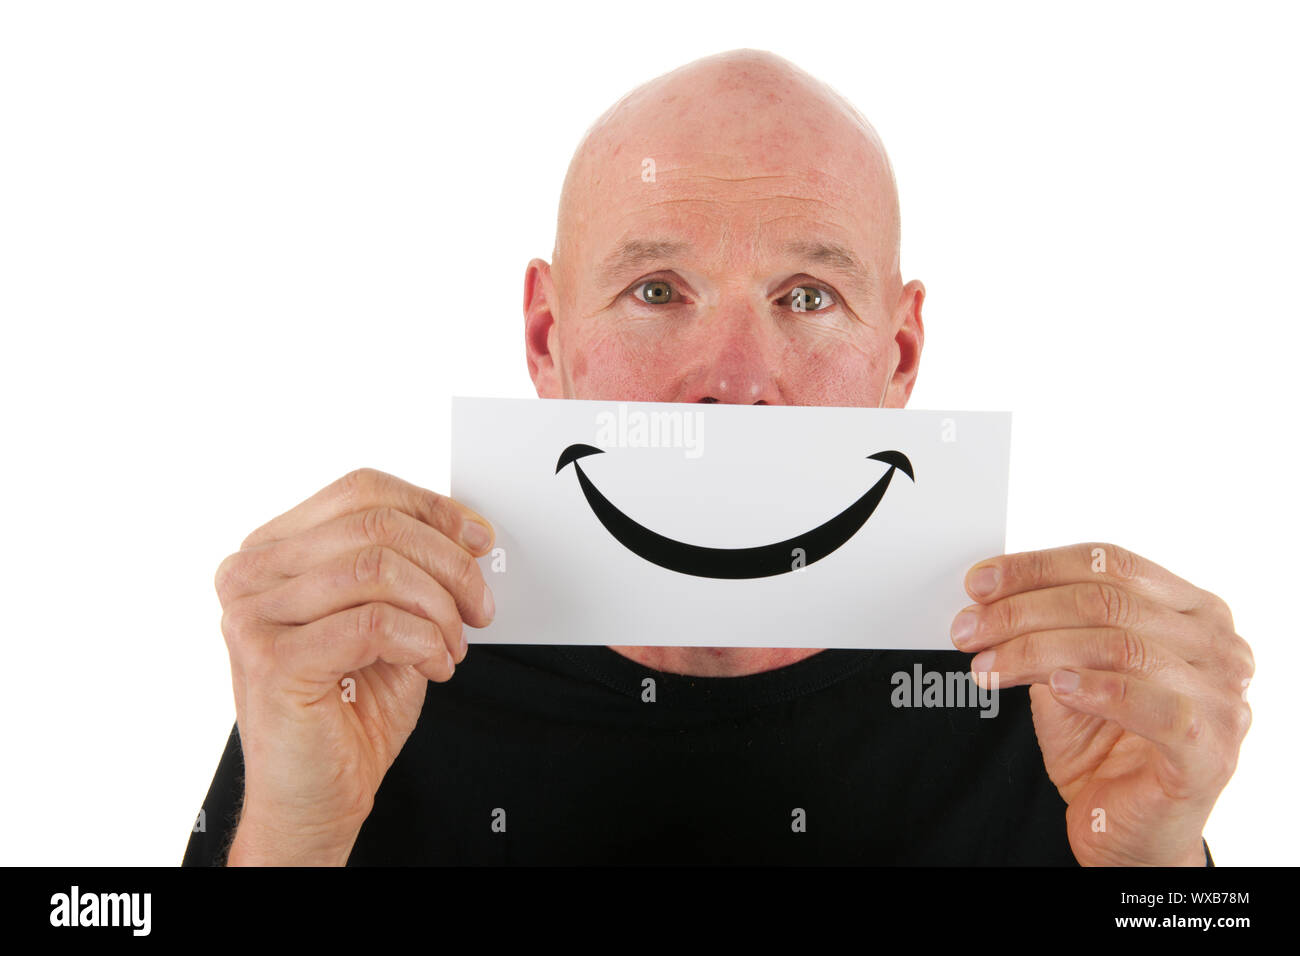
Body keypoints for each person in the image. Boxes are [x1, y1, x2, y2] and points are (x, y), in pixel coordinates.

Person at [184, 49, 1251, 866]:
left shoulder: (1060, 712)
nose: (735, 378)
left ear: (900, 355)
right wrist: (289, 828)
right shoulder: (373, 676)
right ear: (548, 340)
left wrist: (1153, 861)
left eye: (807, 296)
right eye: (656, 289)